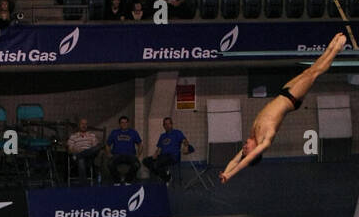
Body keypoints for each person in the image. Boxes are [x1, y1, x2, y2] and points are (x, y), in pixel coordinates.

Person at [220, 33, 347, 183]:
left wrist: (225, 173)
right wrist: (230, 175)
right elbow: (245, 162)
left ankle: (331, 48)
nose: (245, 146)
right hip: (291, 99)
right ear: (254, 152)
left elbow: (235, 160)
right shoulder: (265, 140)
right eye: (247, 149)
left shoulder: (253, 136)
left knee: (309, 71)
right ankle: (336, 50)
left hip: (283, 93)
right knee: (314, 74)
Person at [146, 116, 194, 184]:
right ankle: (166, 176)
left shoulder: (177, 132)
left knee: (156, 164)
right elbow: (159, 148)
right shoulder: (162, 136)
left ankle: (165, 178)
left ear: (172, 124)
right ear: (163, 126)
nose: (167, 126)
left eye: (169, 124)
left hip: (173, 156)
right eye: (165, 124)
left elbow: (185, 141)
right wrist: (155, 154)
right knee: (146, 161)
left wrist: (186, 146)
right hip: (163, 156)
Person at [101, 115, 142, 184]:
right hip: (117, 155)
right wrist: (109, 154)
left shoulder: (133, 132)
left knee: (137, 165)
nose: (124, 124)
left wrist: (138, 155)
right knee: (109, 164)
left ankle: (128, 180)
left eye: (126, 122)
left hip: (130, 155)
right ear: (119, 124)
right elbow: (107, 145)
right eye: (122, 123)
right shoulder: (114, 132)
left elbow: (140, 144)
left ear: (128, 123)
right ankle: (117, 180)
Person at [65, 117, 102, 186]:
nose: (84, 125)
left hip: (89, 158)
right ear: (79, 125)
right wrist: (77, 150)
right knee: (81, 160)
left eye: (86, 124)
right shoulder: (73, 136)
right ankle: (84, 185)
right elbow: (69, 150)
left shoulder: (92, 135)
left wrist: (86, 152)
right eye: (82, 124)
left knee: (98, 146)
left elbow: (95, 149)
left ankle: (81, 155)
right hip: (77, 155)